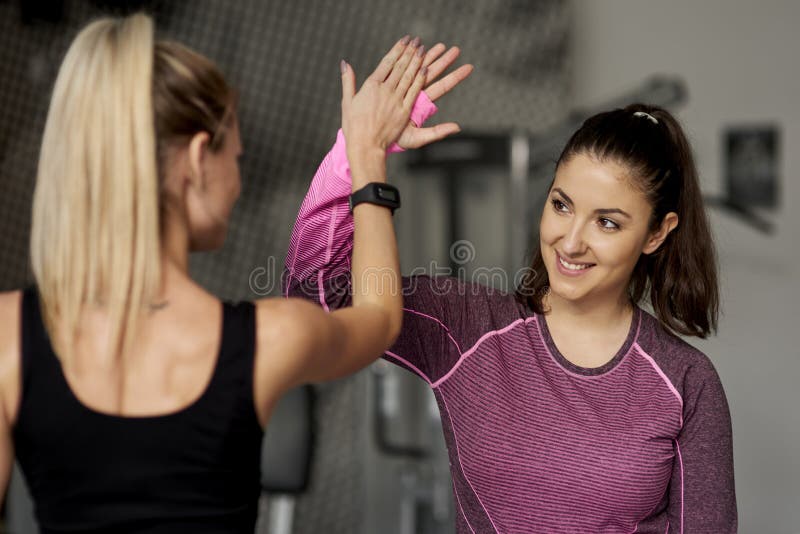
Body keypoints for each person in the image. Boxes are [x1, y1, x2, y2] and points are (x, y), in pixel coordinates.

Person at [0, 13, 464, 532]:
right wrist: (364, 158)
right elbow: (379, 316)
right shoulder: (268, 338)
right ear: (199, 159)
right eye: (236, 156)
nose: (239, 179)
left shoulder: (6, 339)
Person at [285, 97, 738, 529]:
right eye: (561, 205)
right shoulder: (467, 326)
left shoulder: (686, 383)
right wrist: (358, 153)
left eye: (607, 222)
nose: (572, 241)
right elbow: (312, 296)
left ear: (657, 234)